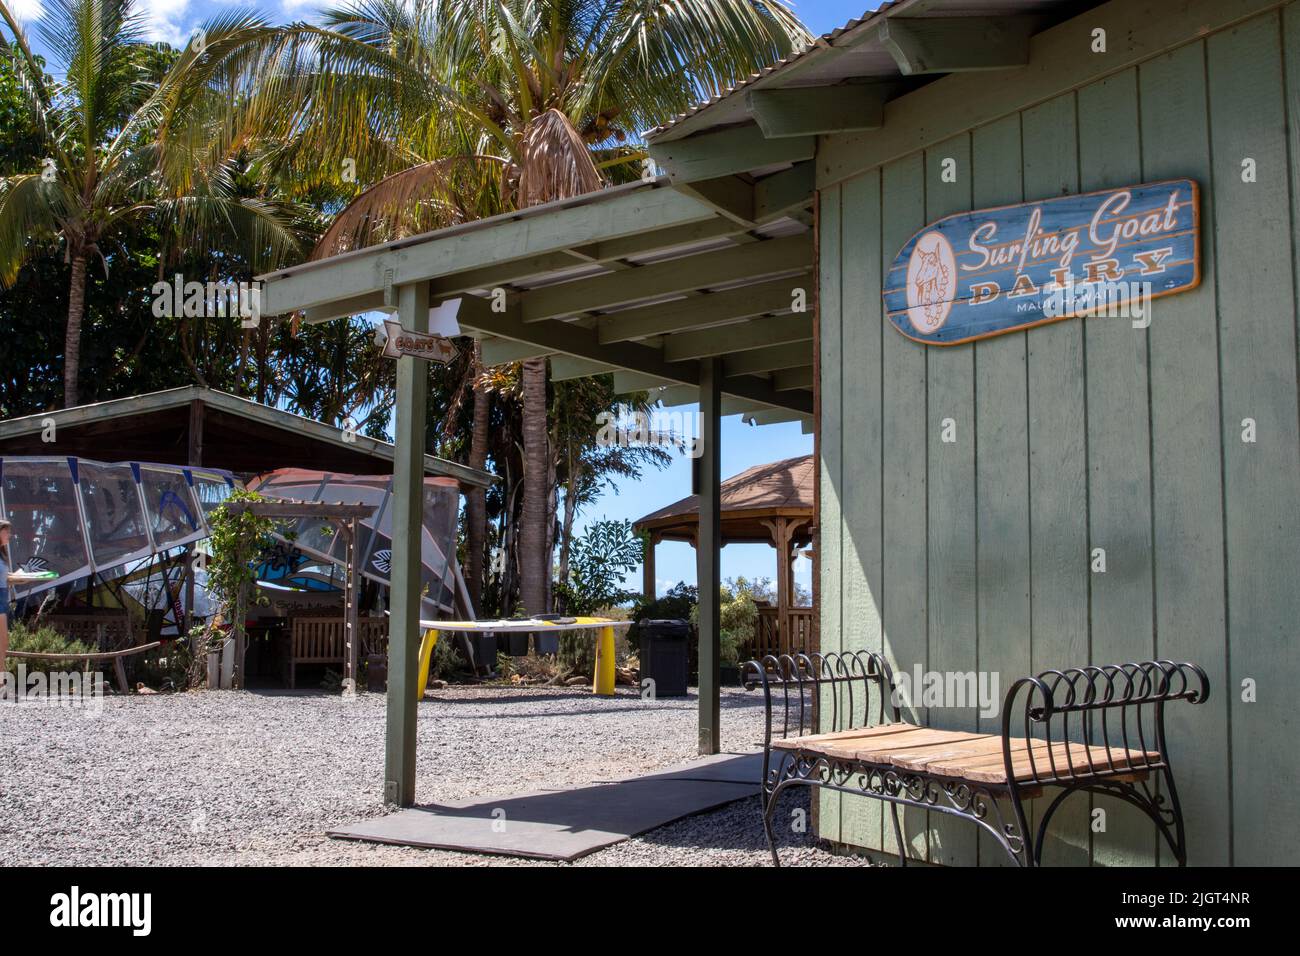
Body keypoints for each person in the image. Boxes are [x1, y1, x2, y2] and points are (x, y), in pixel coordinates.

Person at [0, 518, 11, 667]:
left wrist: (21, 579)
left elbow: (4, 578)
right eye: (7, 531)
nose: (9, 534)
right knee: (2, 643)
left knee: (3, 645)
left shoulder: (2, 554)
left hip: (3, 599)